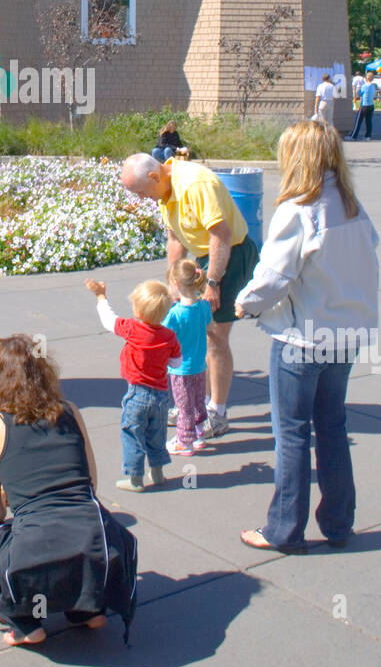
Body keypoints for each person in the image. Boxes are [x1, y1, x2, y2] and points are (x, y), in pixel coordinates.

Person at [234, 120, 379, 553]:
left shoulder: (299, 209)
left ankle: (284, 529)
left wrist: (245, 303)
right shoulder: (351, 205)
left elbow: (274, 276)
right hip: (345, 334)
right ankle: (338, 522)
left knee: (292, 434)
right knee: (332, 426)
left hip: (302, 339)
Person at [0, 335, 138, 646]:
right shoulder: (69, 411)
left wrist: (10, 495)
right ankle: (87, 609)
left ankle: (24, 622)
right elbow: (90, 485)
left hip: (34, 554)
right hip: (96, 546)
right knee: (73, 538)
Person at [121, 151, 259, 439]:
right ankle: (194, 406)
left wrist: (213, 283)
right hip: (204, 256)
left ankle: (216, 413)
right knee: (194, 332)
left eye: (142, 193)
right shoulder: (164, 192)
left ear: (154, 176)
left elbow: (220, 234)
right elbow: (174, 240)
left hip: (229, 256)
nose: (143, 199)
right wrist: (173, 284)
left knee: (215, 336)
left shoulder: (195, 184)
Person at [86, 277, 178, 490]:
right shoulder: (169, 336)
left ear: (139, 311)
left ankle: (135, 478)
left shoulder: (133, 329)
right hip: (161, 395)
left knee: (133, 434)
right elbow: (176, 361)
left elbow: (109, 320)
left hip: (137, 393)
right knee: (157, 434)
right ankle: (157, 472)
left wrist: (101, 296)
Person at [163, 259, 212, 457]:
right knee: (199, 401)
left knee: (184, 406)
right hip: (200, 365)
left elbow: (165, 334)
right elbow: (208, 323)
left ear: (176, 284)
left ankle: (184, 441)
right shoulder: (203, 307)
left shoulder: (175, 314)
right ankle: (199, 434)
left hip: (180, 368)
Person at [347, 74, 376, 141]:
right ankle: (368, 136)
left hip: (364, 105)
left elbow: (359, 93)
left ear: (366, 78)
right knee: (368, 121)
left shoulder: (364, 86)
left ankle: (353, 136)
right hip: (371, 105)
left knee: (358, 121)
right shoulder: (373, 86)